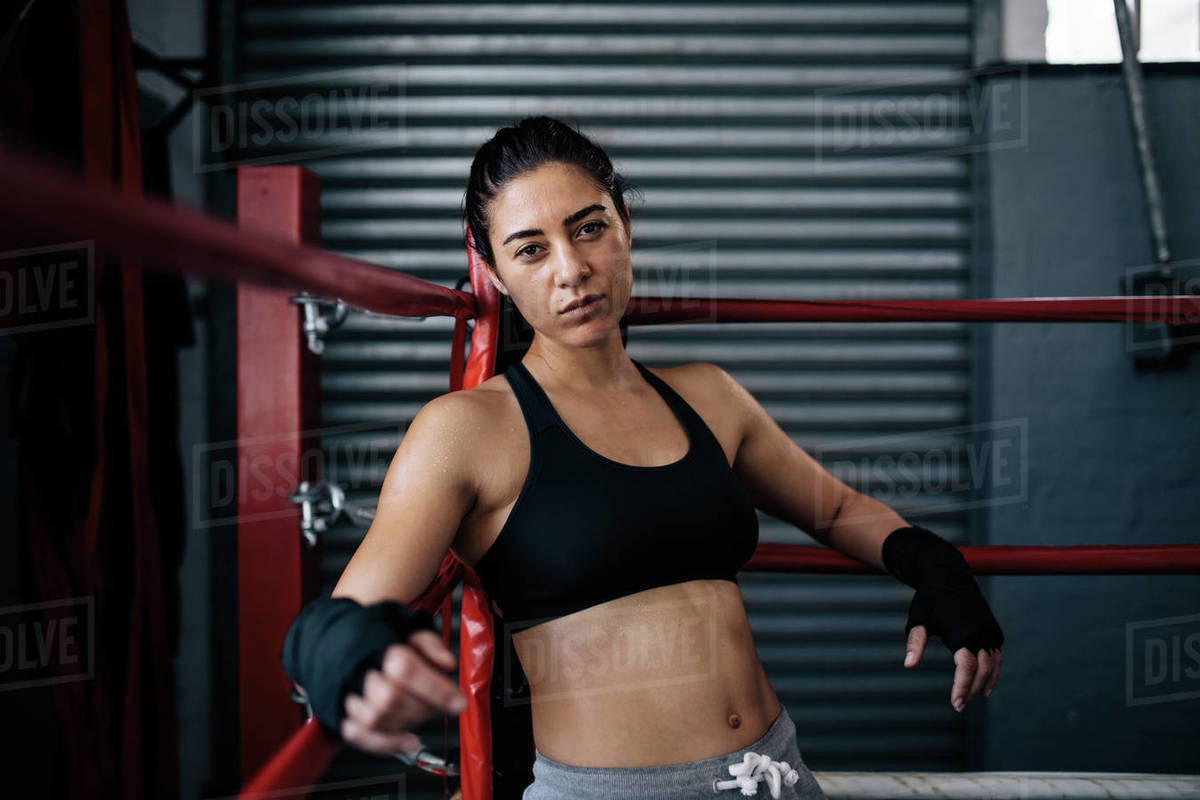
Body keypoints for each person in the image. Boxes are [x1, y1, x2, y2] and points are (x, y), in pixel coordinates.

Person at [281, 116, 1004, 800]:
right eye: (531, 248)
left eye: (589, 229)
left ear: (626, 226)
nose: (572, 269)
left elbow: (838, 508)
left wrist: (934, 563)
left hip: (775, 771)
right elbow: (346, 613)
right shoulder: (468, 430)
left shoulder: (710, 397)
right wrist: (346, 658)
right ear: (494, 273)